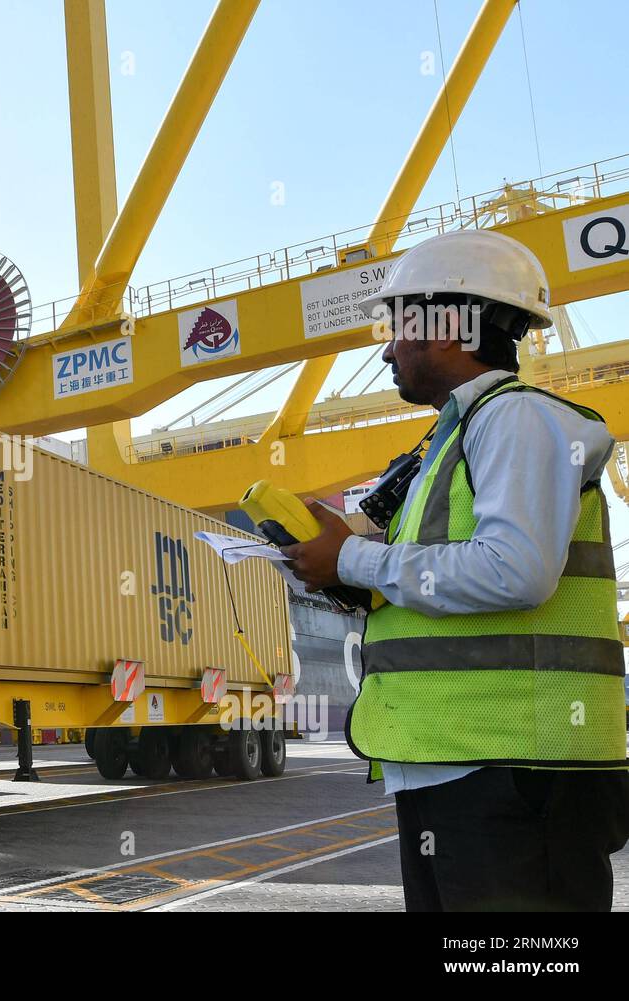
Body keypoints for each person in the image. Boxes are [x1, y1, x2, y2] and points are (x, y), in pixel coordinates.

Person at [282, 229, 629, 911]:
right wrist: (351, 578)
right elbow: (445, 576)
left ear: (447, 326)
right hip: (463, 765)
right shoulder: (460, 437)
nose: (386, 349)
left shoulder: (517, 419)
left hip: (512, 771)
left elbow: (517, 571)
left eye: (397, 327)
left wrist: (352, 555)